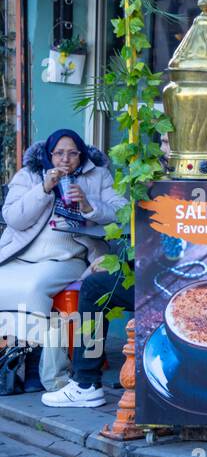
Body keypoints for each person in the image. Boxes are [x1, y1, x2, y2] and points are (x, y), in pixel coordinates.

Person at [0, 129, 125, 397]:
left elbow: (120, 211)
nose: (65, 159)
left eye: (72, 153)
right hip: (24, 254)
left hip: (68, 257)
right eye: (59, 153)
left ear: (81, 154)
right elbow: (13, 218)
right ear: (49, 154)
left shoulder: (97, 175)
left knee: (33, 290)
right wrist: (43, 189)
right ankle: (14, 361)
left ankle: (37, 367)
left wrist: (91, 206)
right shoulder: (29, 175)